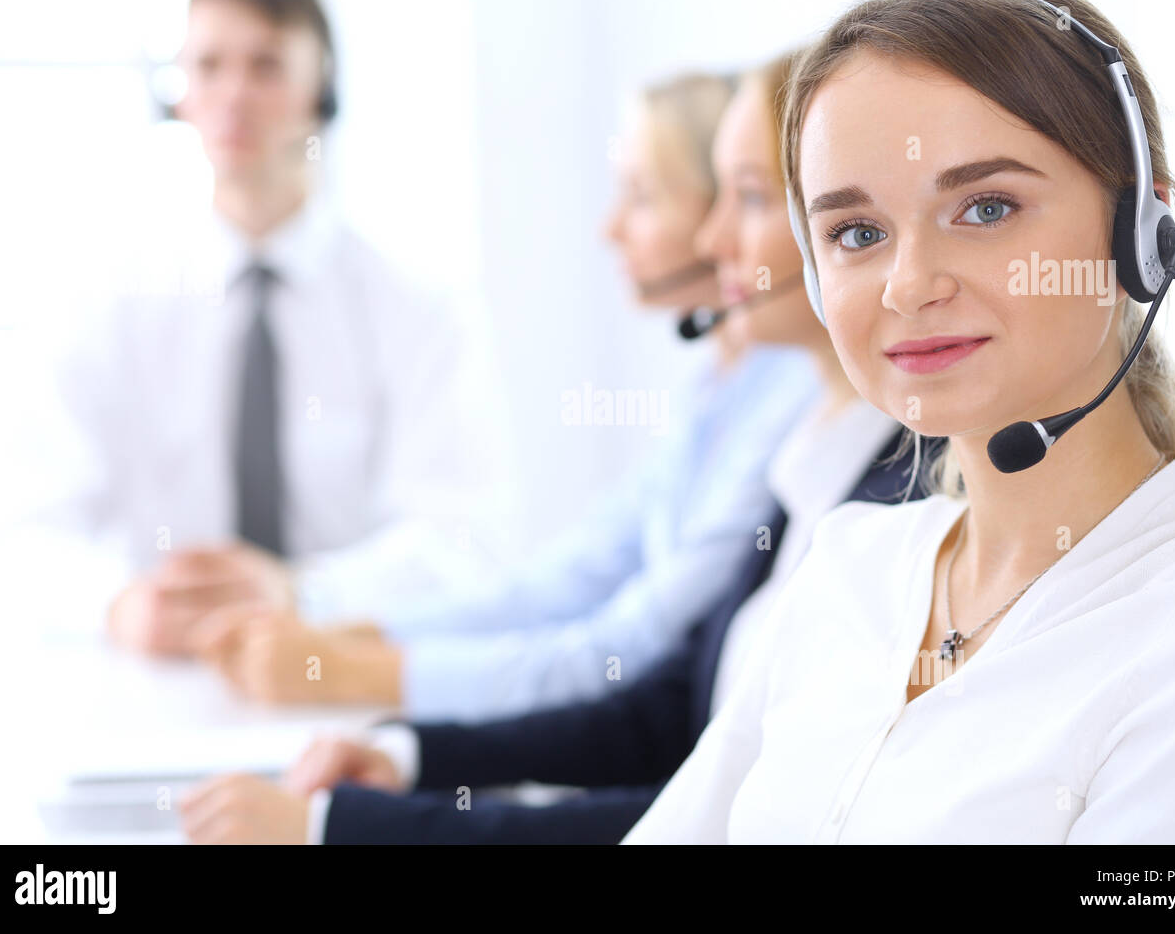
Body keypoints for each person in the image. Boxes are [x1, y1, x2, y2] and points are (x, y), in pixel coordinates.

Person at [178, 53, 920, 844]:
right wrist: (391, 719)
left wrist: (349, 805)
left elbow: (640, 676)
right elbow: (615, 631)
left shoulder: (851, 461)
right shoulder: (785, 433)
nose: (713, 239)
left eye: (744, 198)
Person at [624, 0, 1175, 844]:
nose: (908, 285)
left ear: (1138, 234)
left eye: (987, 208)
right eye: (856, 232)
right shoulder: (849, 565)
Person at [188, 72, 824, 714]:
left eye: (642, 196)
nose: (609, 230)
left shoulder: (791, 398)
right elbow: (569, 581)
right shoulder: (715, 387)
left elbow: (626, 643)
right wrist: (338, 629)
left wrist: (352, 671)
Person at [0, 0, 511, 655]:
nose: (234, 95)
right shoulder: (102, 304)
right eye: (208, 66)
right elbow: (21, 537)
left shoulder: (418, 313)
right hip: (152, 674)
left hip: (346, 671)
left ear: (323, 89)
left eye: (266, 66)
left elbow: (466, 544)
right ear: (177, 96)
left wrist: (303, 595)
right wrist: (117, 604)